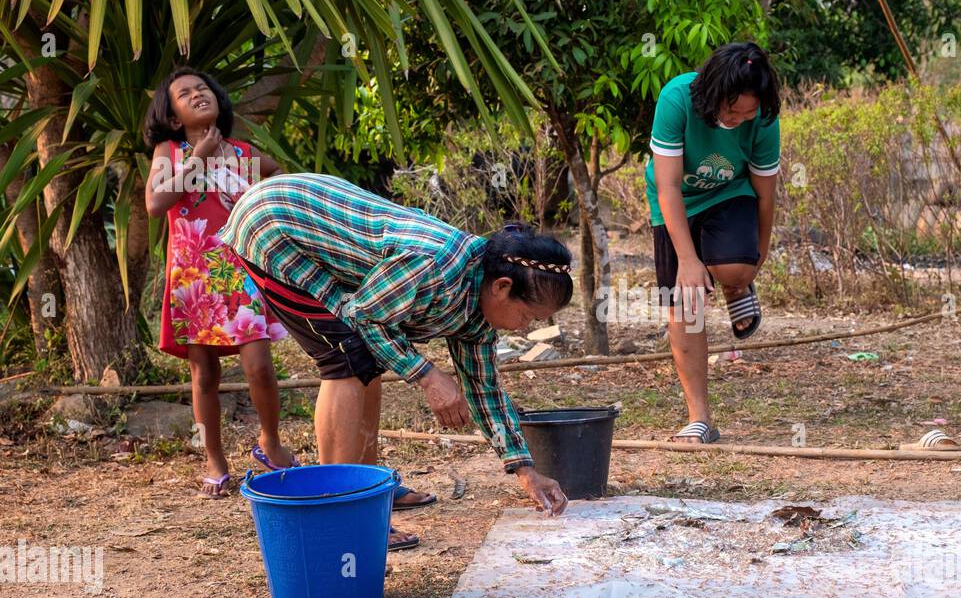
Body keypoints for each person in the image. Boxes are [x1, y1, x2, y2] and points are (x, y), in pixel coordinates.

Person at [222, 173, 571, 549]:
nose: (524, 328)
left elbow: (484, 390)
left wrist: (526, 471)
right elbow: (368, 317)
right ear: (503, 287)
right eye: (529, 317)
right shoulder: (434, 265)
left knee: (367, 354)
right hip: (276, 224)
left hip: (304, 228)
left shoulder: (479, 309)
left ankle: (368, 490)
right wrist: (428, 375)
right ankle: (339, 513)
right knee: (347, 356)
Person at [144, 68, 296, 498]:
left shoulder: (241, 154)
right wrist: (198, 158)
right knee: (204, 373)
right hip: (194, 274)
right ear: (173, 117)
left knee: (259, 365)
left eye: (202, 89)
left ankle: (270, 441)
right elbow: (156, 203)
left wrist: (269, 216)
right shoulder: (168, 151)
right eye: (184, 94)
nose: (196, 95)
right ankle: (214, 458)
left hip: (241, 267)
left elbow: (279, 174)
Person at [646, 42, 782, 444]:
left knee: (737, 266)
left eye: (748, 112)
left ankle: (736, 286)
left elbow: (766, 195)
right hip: (674, 201)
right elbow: (668, 185)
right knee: (685, 305)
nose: (741, 119)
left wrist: (758, 257)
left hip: (730, 192)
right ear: (712, 95)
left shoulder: (764, 120)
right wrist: (687, 259)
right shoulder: (676, 99)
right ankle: (699, 418)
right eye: (732, 111)